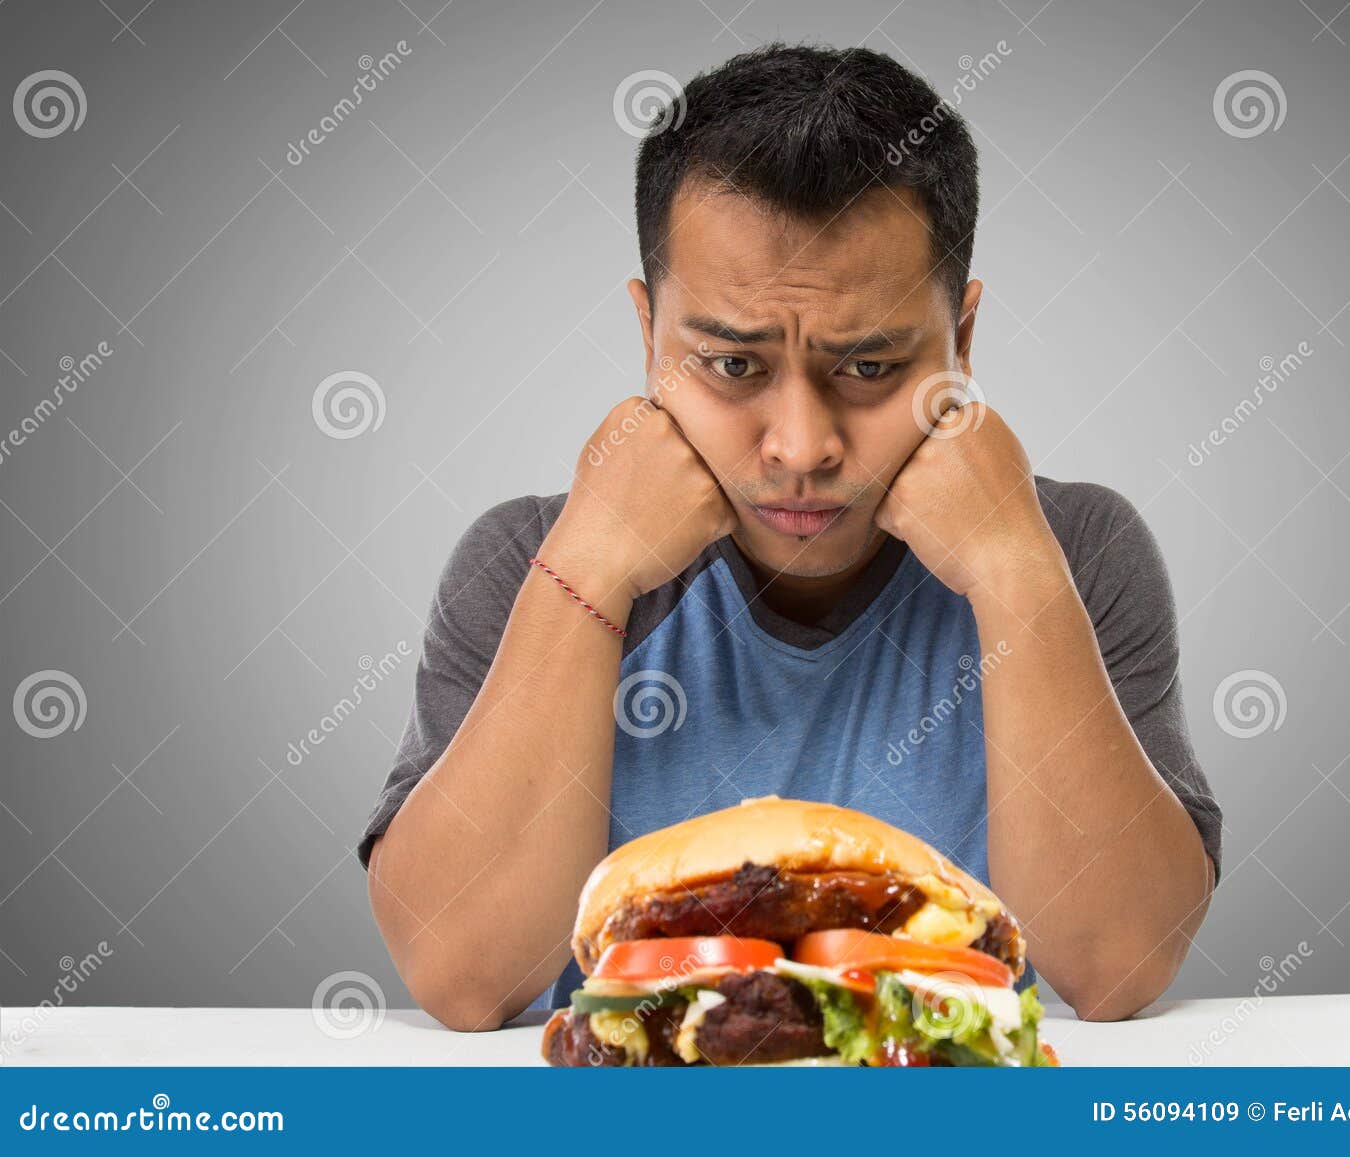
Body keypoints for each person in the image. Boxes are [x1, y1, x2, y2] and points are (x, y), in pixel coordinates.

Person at [360, 43, 1222, 1031]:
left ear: (962, 341)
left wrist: (1013, 570)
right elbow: (462, 981)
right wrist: (588, 567)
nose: (802, 447)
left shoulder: (1077, 548)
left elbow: (1116, 968)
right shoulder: (525, 560)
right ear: (649, 338)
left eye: (868, 368)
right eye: (731, 364)